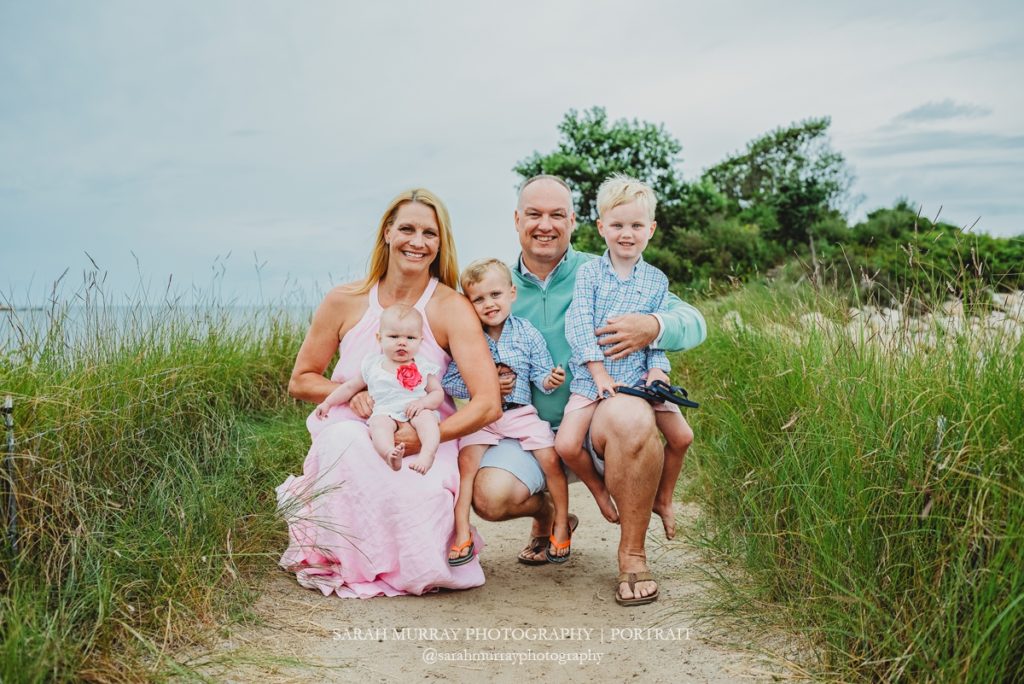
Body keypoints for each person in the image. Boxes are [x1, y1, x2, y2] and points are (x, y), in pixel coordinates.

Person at [470, 175, 706, 606]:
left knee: (632, 416)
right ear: (516, 219)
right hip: (527, 433)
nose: (546, 224)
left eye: (557, 214)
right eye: (535, 214)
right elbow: (455, 350)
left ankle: (633, 554)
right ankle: (549, 513)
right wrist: (486, 380)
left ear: (576, 221)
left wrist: (655, 326)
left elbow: (693, 321)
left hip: (595, 422)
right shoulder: (493, 284)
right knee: (489, 498)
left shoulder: (608, 270)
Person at [277, 188, 501, 598]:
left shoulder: (450, 307)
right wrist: (347, 395)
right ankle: (347, 558)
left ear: (440, 242)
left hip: (425, 433)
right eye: (408, 229)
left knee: (420, 506)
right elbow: (302, 379)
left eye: (429, 233)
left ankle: (405, 555)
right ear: (387, 233)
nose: (417, 242)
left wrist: (424, 437)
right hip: (355, 428)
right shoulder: (344, 300)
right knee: (344, 441)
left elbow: (487, 402)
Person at [556, 175, 694, 540]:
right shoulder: (589, 275)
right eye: (617, 225)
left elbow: (655, 338)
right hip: (593, 379)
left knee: (682, 437)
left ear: (651, 229)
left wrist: (658, 372)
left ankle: (663, 498)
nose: (626, 234)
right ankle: (599, 492)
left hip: (639, 378)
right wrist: (599, 375)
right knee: (566, 445)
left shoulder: (656, 281)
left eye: (636, 225)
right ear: (602, 228)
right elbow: (580, 326)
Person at [440, 259, 568, 566]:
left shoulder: (527, 333)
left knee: (550, 459)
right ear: (469, 304)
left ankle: (561, 522)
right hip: (483, 415)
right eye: (479, 299)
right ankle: (461, 533)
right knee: (466, 465)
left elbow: (540, 375)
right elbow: (451, 380)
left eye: (495, 295)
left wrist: (550, 380)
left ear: (512, 293)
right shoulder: (469, 337)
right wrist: (485, 386)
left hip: (520, 413)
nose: (489, 304)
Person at [314, 304, 444, 474]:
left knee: (428, 422)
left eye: (410, 338)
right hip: (385, 411)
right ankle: (389, 454)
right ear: (379, 338)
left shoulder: (422, 365)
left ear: (420, 340)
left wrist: (423, 403)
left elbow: (437, 393)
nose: (402, 342)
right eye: (394, 336)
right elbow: (350, 387)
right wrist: (327, 403)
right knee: (378, 426)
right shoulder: (373, 364)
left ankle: (427, 454)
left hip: (415, 409)